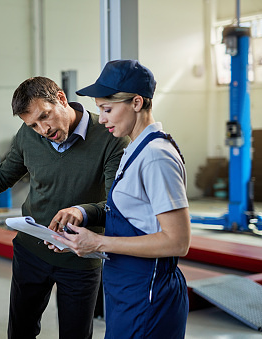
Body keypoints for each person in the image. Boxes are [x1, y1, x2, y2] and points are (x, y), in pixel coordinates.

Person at [0, 76, 130, 339]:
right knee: (20, 331)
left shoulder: (109, 137)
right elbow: (3, 176)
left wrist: (82, 211)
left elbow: (118, 204)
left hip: (79, 257)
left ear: (60, 98)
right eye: (32, 125)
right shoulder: (28, 135)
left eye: (44, 117)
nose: (42, 130)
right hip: (31, 251)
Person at [51, 60, 191, 339]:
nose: (101, 119)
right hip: (126, 291)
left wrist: (99, 242)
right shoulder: (134, 149)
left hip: (149, 296)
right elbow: (132, 216)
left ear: (137, 102)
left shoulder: (156, 156)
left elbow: (178, 241)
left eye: (107, 109)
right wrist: (78, 238)